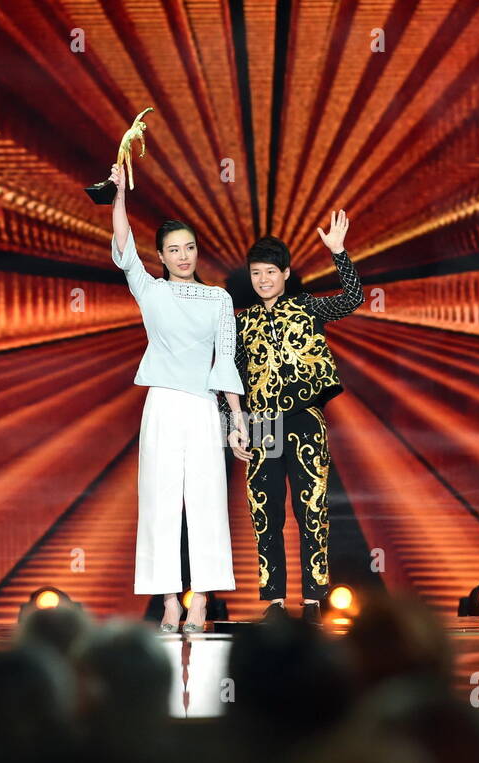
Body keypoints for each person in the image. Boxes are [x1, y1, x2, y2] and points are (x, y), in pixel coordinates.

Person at [107, 162, 247, 633]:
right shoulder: (150, 290)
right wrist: (120, 194)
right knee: (161, 501)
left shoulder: (219, 300)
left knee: (207, 502)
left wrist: (237, 420)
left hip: (205, 407)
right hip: (163, 405)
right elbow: (124, 246)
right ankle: (169, 600)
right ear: (162, 257)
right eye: (174, 250)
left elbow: (225, 362)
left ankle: (201, 601)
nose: (183, 255)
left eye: (189, 247)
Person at [228, 213, 363, 625]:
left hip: (305, 419)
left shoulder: (307, 308)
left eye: (271, 271)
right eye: (257, 273)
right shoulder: (242, 322)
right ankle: (273, 602)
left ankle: (312, 600)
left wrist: (339, 253)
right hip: (262, 423)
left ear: (285, 272)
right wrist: (232, 427)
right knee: (265, 512)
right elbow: (228, 378)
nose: (264, 279)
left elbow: (352, 299)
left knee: (312, 509)